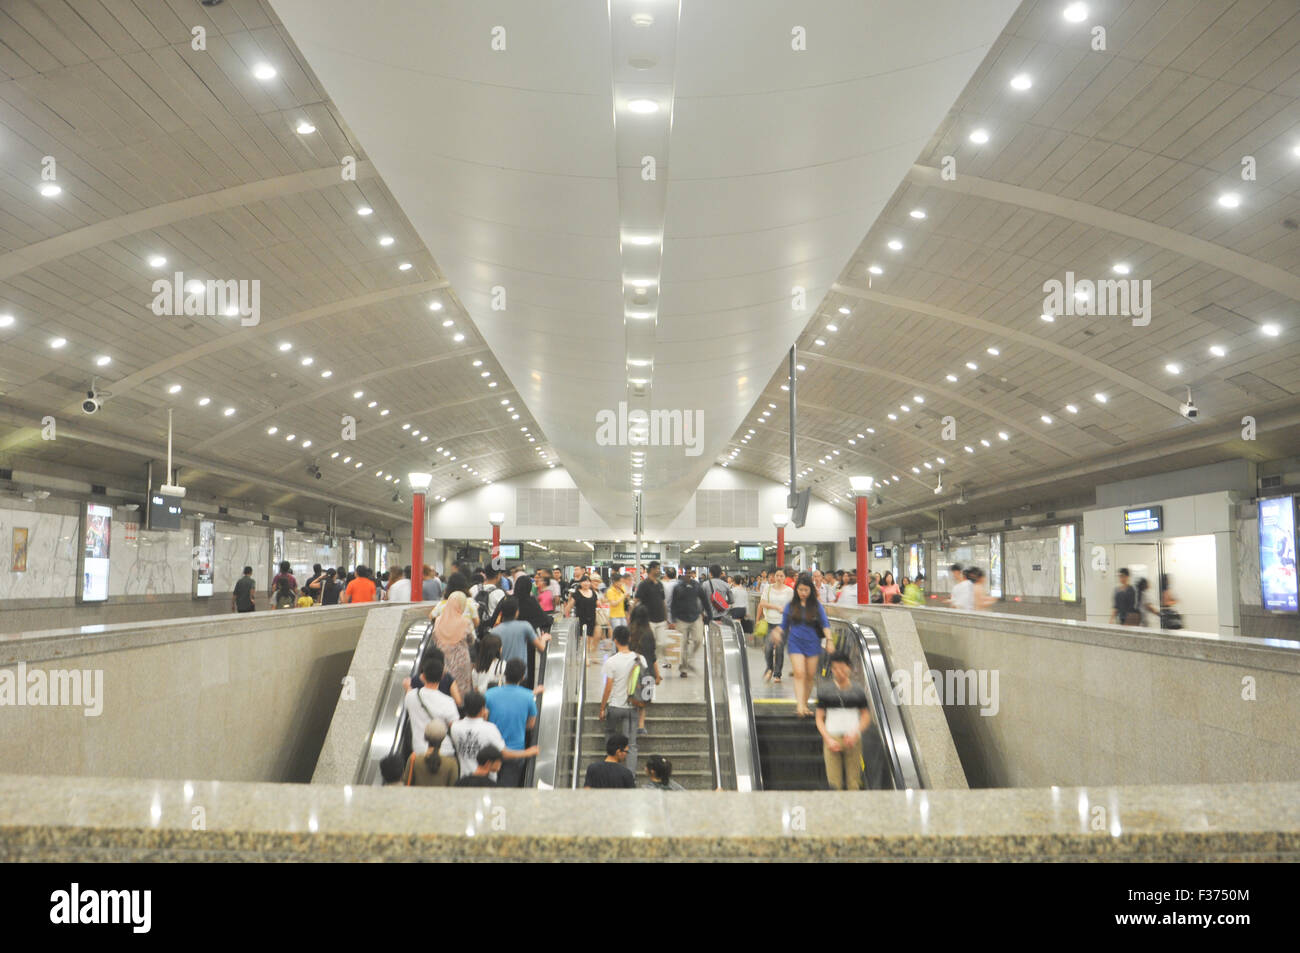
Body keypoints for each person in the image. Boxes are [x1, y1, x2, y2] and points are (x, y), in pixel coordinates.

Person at [441, 690, 536, 780]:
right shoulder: (490, 729)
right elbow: (504, 754)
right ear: (482, 709)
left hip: (465, 777)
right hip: (486, 779)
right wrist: (528, 752)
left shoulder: (455, 727)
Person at [816, 651, 872, 791]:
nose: (838, 672)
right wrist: (828, 739)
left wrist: (856, 733)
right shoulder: (825, 690)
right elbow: (819, 718)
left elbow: (866, 716)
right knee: (834, 784)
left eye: (842, 668)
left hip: (853, 739)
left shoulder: (858, 690)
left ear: (849, 668)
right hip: (832, 738)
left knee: (854, 783)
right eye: (835, 668)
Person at [782, 571, 830, 717]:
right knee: (799, 673)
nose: (803, 593)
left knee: (809, 676)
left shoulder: (816, 606)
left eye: (806, 590)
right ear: (796, 590)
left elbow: (825, 623)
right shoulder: (791, 606)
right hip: (795, 642)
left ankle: (804, 703)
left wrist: (830, 640)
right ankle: (800, 706)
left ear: (811, 590)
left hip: (813, 643)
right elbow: (784, 625)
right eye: (800, 590)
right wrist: (777, 632)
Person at [485, 659, 538, 787]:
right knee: (508, 789)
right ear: (523, 677)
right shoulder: (528, 697)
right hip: (516, 751)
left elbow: (484, 719)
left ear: (505, 673)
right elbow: (531, 725)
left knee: (487, 787)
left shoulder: (489, 694)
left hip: (491, 750)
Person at [598, 626, 642, 776]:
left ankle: (610, 771)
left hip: (615, 706)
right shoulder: (639, 659)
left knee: (610, 735)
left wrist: (602, 708)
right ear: (629, 639)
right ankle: (630, 777)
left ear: (615, 640)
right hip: (632, 707)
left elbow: (608, 688)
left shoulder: (611, 661)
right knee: (631, 744)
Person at [404, 655, 459, 754]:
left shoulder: (411, 696)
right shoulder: (448, 701)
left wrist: (407, 686)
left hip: (419, 751)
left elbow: (409, 691)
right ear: (442, 677)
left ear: (423, 676)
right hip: (444, 750)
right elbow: (455, 727)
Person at [433, 590, 476, 697]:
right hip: (461, 662)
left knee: (444, 690)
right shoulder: (465, 622)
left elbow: (434, 639)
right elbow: (471, 640)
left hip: (443, 662)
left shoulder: (438, 621)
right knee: (461, 691)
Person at [627, 605, 660, 735]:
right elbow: (652, 655)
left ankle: (630, 724)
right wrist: (657, 674)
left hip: (631, 670)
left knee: (631, 697)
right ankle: (641, 725)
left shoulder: (629, 631)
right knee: (644, 701)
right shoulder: (649, 633)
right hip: (647, 671)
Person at [757, 567, 794, 683]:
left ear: (785, 577)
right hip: (769, 622)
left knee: (779, 649)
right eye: (777, 575)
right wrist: (777, 607)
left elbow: (792, 607)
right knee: (768, 648)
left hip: (782, 624)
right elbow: (762, 603)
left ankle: (777, 674)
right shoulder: (768, 588)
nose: (778, 578)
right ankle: (769, 668)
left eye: (781, 576)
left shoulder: (789, 591)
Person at [634, 561, 671, 671]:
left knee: (662, 643)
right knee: (648, 644)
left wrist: (667, 618)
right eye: (657, 568)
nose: (659, 571)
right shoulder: (643, 585)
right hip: (648, 620)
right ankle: (649, 665)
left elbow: (663, 602)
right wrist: (631, 616)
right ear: (652, 569)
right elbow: (636, 600)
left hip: (661, 619)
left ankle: (653, 661)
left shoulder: (659, 584)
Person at [670, 568, 707, 678]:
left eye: (690, 573)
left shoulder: (697, 586)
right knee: (683, 645)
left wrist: (708, 614)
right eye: (686, 573)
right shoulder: (678, 587)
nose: (688, 575)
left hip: (695, 617)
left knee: (698, 640)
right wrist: (673, 619)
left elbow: (704, 600)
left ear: (692, 574)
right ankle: (684, 669)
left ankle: (689, 659)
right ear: (683, 574)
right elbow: (673, 604)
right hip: (681, 619)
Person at [404, 719, 458, 787]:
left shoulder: (414, 759)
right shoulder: (451, 763)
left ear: (425, 737)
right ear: (443, 738)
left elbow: (406, 783)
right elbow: (454, 787)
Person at [565, 574, 600, 661]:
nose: (586, 583)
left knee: (591, 638)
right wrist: (567, 617)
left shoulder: (593, 593)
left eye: (588, 581)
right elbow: (569, 607)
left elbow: (597, 603)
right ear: (580, 583)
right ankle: (585, 657)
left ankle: (591, 655)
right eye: (584, 581)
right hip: (581, 619)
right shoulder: (577, 594)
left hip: (592, 618)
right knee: (584, 639)